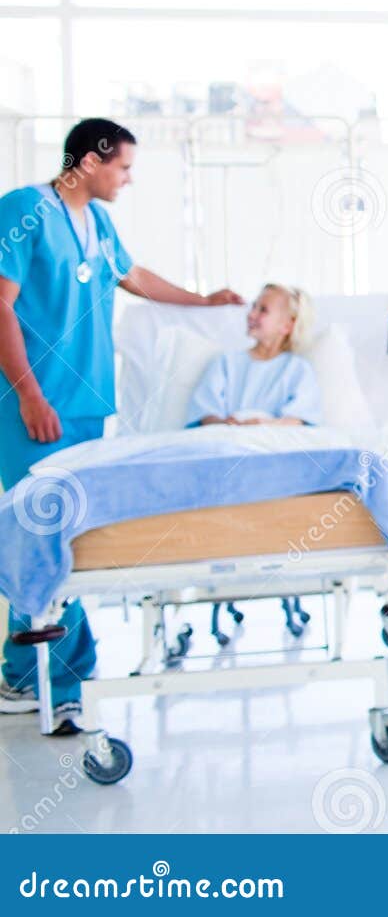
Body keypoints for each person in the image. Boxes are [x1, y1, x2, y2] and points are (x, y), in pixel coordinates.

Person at [0, 118, 243, 728]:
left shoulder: (99, 223)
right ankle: (47, 676)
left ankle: (33, 672)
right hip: (32, 406)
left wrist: (203, 300)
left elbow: (133, 277)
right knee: (46, 535)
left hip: (84, 406)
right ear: (88, 162)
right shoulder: (24, 210)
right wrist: (28, 393)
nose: (129, 179)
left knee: (69, 537)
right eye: (124, 168)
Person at [189, 284, 321, 427]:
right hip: (228, 436)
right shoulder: (226, 362)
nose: (251, 314)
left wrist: (267, 425)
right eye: (253, 306)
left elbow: (300, 418)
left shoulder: (298, 368)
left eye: (263, 310)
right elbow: (204, 412)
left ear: (287, 326)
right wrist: (225, 423)